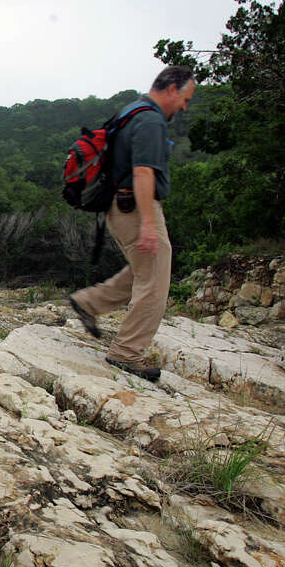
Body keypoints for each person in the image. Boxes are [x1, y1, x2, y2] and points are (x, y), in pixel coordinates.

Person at [67, 65, 195, 382]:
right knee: (155, 282)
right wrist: (149, 224)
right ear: (171, 89)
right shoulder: (150, 120)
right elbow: (143, 172)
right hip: (136, 207)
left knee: (143, 270)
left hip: (119, 206)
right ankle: (126, 353)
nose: (184, 107)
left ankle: (87, 302)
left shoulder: (131, 111)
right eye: (185, 99)